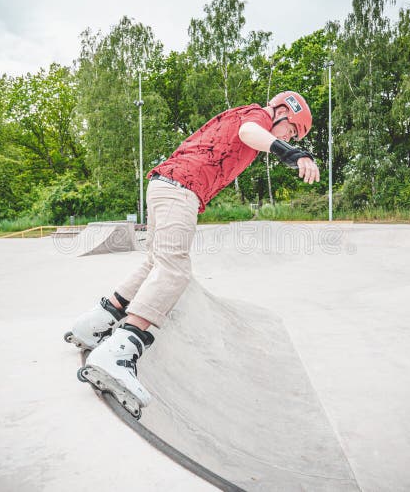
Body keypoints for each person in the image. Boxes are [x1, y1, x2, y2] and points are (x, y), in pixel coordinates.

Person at [69, 91, 319, 414]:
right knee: (174, 270)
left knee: (154, 264)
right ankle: (118, 352)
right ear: (283, 111)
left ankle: (95, 323)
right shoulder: (260, 115)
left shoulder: (242, 113)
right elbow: (249, 133)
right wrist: (291, 152)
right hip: (181, 190)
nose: (289, 136)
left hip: (163, 184)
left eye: (293, 137)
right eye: (293, 131)